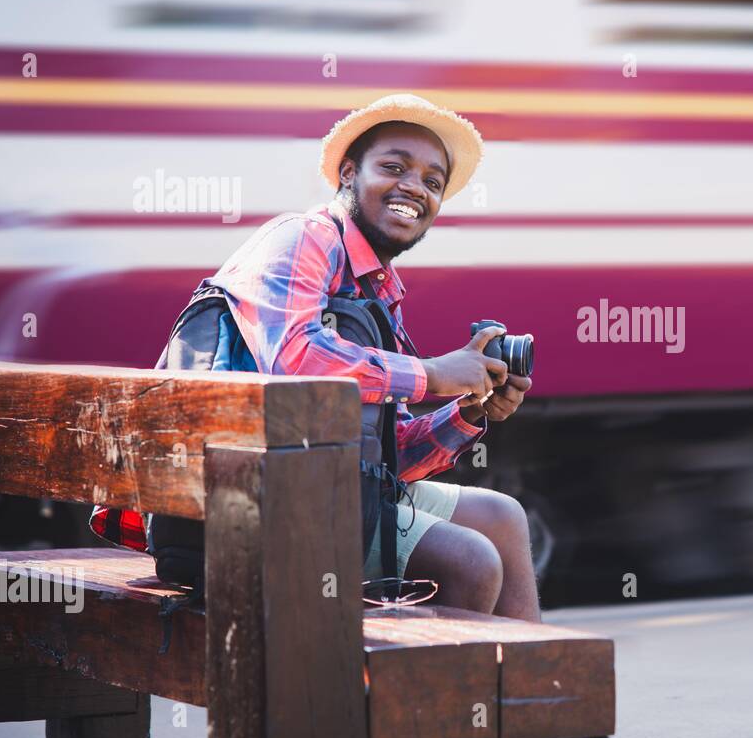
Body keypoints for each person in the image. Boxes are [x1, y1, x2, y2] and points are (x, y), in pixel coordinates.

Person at [97, 94, 542, 622]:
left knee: (502, 514)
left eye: (432, 181)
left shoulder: (378, 292)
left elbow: (390, 460)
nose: (413, 188)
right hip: (248, 507)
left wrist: (467, 412)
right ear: (349, 173)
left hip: (329, 493)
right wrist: (431, 374)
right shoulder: (303, 237)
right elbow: (295, 360)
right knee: (470, 560)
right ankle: (402, 701)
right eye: (394, 167)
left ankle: (522, 705)